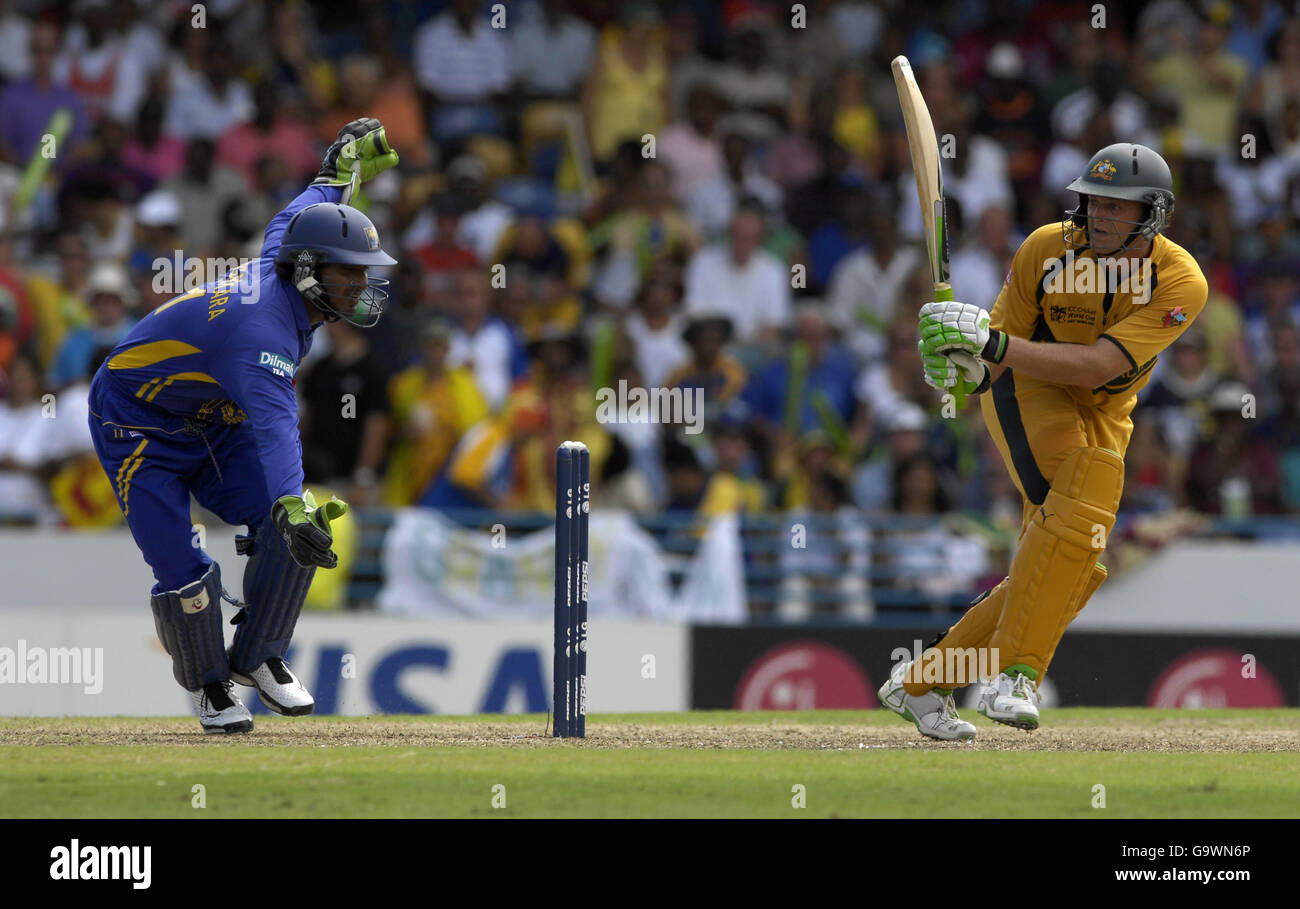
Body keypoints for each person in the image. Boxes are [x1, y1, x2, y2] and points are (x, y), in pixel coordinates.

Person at [879, 143, 1208, 740]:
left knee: (1069, 568)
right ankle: (1014, 676)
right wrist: (955, 362)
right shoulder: (1044, 249)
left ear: (1152, 215)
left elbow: (1097, 367)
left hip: (1104, 405)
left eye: (1120, 208)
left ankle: (922, 682)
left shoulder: (1180, 279)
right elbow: (991, 365)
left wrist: (987, 346)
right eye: (1096, 204)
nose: (1103, 218)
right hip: (1026, 393)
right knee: (1090, 479)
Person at [86, 119, 399, 733]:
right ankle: (208, 686)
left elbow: (318, 194)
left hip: (211, 416)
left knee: (292, 530)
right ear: (309, 272)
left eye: (364, 272)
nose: (363, 286)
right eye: (350, 273)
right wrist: (291, 501)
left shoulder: (288, 249)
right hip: (136, 423)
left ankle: (258, 657)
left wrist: (343, 165)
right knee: (184, 564)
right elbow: (277, 426)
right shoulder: (262, 335)